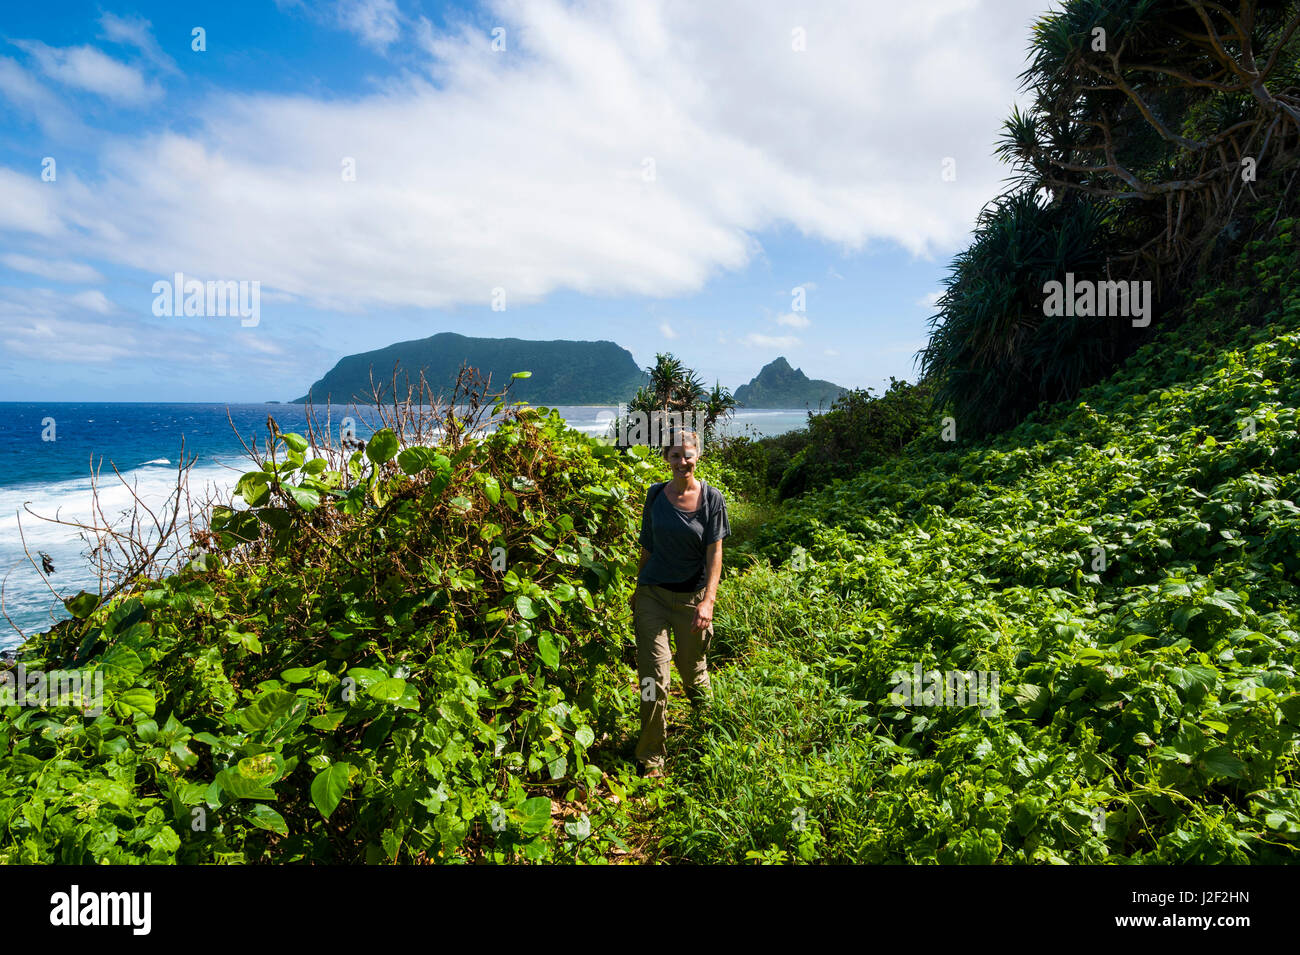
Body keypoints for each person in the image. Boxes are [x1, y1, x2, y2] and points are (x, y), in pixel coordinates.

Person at [629, 427, 730, 778]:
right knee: (653, 679)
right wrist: (637, 590)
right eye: (675, 455)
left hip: (692, 599)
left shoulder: (711, 499)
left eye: (688, 454)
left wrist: (708, 602)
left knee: (694, 674)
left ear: (697, 456)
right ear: (666, 459)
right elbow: (647, 546)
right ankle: (651, 757)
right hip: (652, 595)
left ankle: (712, 735)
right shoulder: (654, 495)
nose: (682, 461)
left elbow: (715, 552)